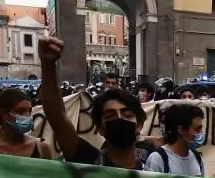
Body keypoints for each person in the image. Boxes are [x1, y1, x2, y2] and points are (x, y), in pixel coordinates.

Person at [38, 37, 157, 168]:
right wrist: (48, 64)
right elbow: (57, 118)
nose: (119, 119)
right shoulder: (88, 160)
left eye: (127, 115)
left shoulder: (152, 173)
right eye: (110, 116)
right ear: (100, 128)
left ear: (139, 125)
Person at [0, 87, 55, 160]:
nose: (27, 116)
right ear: (2, 114)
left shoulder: (41, 147)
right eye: (20, 111)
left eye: (29, 111)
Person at [145, 102, 205, 176]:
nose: (201, 133)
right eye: (197, 129)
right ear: (181, 130)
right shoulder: (158, 159)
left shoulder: (197, 157)